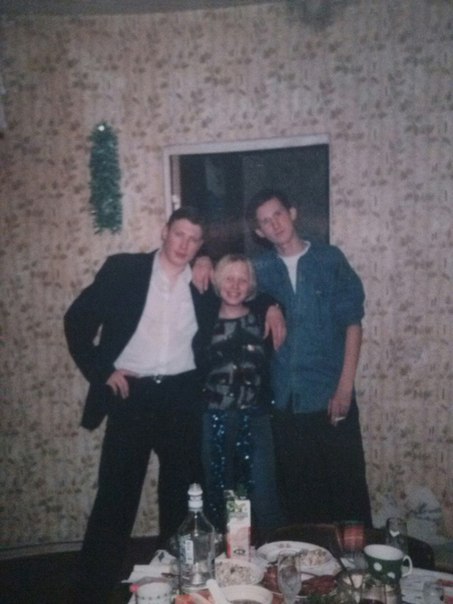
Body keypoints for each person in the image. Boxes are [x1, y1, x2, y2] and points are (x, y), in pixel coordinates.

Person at [64, 206, 284, 603]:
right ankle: (90, 590)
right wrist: (101, 371)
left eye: (194, 240)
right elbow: (77, 319)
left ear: (202, 246)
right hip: (132, 395)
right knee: (115, 496)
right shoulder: (124, 270)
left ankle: (179, 587)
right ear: (165, 232)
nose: (184, 245)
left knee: (183, 498)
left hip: (182, 396)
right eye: (179, 235)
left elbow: (241, 290)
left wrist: (270, 303)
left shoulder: (203, 281)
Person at [245, 188, 372, 528]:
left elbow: (353, 324)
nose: (275, 224)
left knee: (348, 497)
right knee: (301, 503)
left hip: (331, 396)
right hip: (286, 403)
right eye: (265, 222)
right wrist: (267, 303)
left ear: (292, 213)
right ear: (259, 232)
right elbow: (226, 284)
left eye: (278, 214)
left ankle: (355, 561)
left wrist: (344, 388)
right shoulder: (259, 270)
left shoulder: (330, 260)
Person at [193, 254, 285, 540]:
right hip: (212, 420)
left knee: (264, 495)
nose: (235, 286)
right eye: (228, 279)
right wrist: (202, 258)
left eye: (242, 280)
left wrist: (272, 306)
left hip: (255, 419)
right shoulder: (203, 317)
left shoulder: (261, 317)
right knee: (219, 494)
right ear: (217, 282)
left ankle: (274, 557)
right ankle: (226, 558)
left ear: (251, 285)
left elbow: (272, 304)